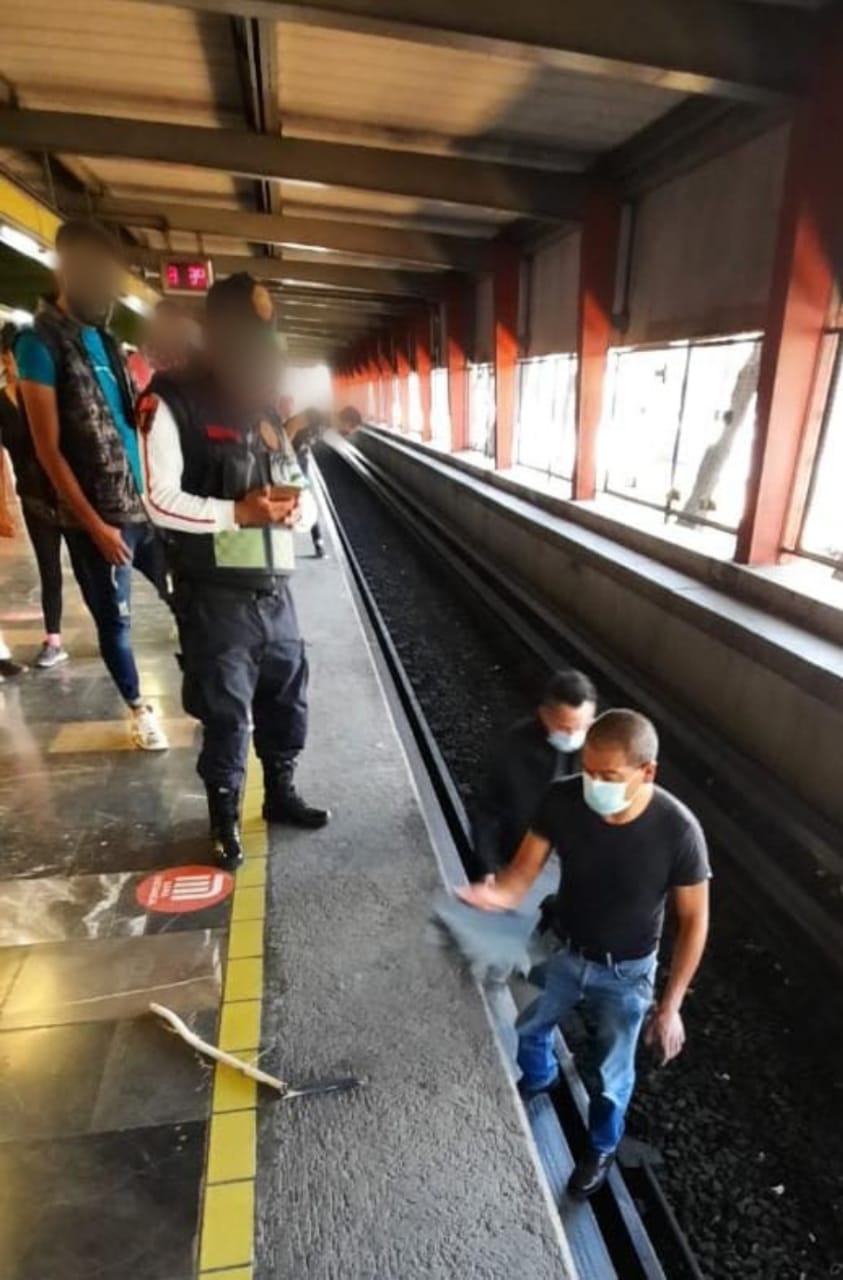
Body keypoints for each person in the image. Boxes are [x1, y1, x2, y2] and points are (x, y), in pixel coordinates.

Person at [458, 709, 710, 1198]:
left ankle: (600, 1147)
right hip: (562, 948)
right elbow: (522, 874)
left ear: (648, 772)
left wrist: (671, 1005)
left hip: (626, 973)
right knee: (530, 1028)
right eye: (589, 770)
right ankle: (540, 1077)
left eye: (609, 777)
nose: (594, 785)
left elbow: (695, 920)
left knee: (613, 1072)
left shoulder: (678, 831)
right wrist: (493, 895)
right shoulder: (562, 799)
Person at [139, 272, 328, 870]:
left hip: (275, 590)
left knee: (287, 698)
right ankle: (224, 818)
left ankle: (280, 794)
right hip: (214, 596)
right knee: (225, 715)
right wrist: (237, 512)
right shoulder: (172, 400)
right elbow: (157, 498)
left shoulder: (266, 412)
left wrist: (295, 511)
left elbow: (307, 493)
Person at [15, 219, 168, 748]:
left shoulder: (104, 338)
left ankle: (206, 687)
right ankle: (137, 706)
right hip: (100, 519)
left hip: (144, 505)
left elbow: (122, 420)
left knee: (187, 597)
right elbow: (47, 450)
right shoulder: (38, 344)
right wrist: (95, 527)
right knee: (116, 623)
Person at [472, 669, 597, 871]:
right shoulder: (514, 746)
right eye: (565, 727)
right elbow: (488, 812)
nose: (574, 734)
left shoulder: (602, 749)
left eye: (582, 726)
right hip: (515, 861)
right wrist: (488, 867)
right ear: (544, 715)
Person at [0, 322, 69, 669]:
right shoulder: (1, 402)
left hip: (69, 493)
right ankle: (53, 639)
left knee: (92, 568)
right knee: (49, 569)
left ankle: (113, 627)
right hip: (32, 496)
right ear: (6, 360)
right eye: (14, 357)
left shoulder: (47, 393)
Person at [282, 407, 326, 558]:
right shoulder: (319, 416)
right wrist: (286, 455)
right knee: (298, 500)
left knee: (303, 500)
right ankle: (318, 543)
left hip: (299, 461)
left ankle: (318, 543)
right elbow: (292, 425)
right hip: (294, 463)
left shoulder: (324, 420)